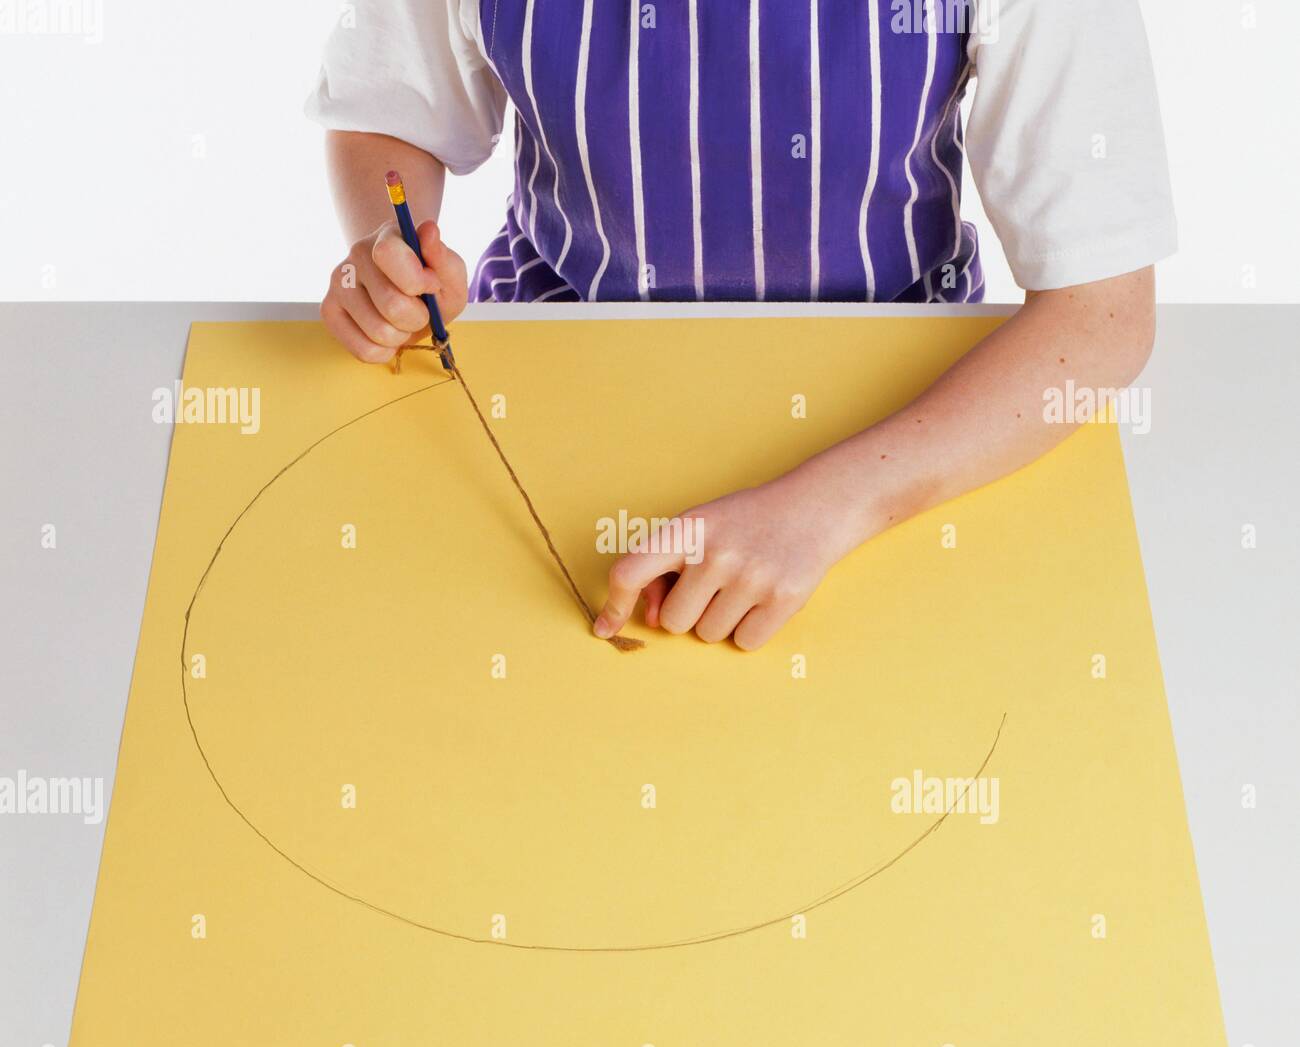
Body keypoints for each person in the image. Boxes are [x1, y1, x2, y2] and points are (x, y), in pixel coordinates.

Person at [307, 0, 1176, 650]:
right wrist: (386, 244)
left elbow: (1101, 316)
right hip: (548, 383)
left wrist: (825, 510)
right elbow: (389, 110)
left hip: (907, 424)